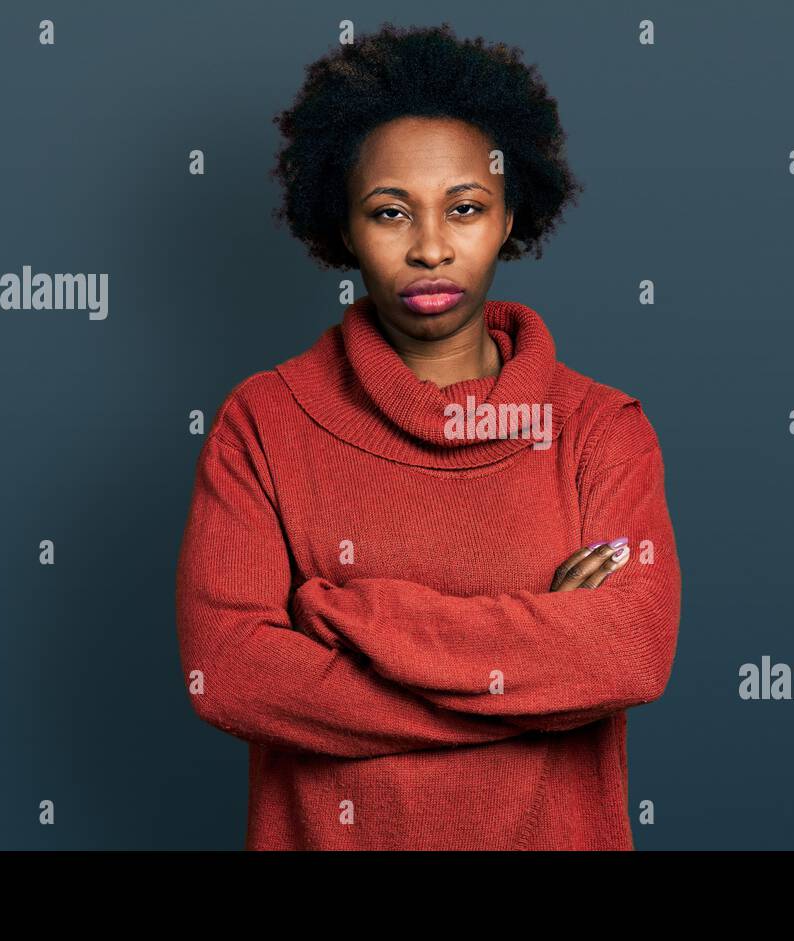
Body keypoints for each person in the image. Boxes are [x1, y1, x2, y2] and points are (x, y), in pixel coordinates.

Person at [175, 22, 681, 850]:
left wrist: (356, 616)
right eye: (389, 212)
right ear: (341, 225)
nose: (432, 247)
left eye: (466, 208)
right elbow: (228, 674)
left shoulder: (600, 429)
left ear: (511, 212)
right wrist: (531, 677)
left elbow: (630, 651)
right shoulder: (263, 423)